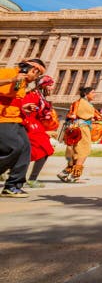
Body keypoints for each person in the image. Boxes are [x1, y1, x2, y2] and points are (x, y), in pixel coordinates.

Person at [0, 59, 46, 198]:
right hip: (3, 119)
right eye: (37, 74)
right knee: (14, 147)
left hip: (16, 119)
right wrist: (11, 80)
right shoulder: (8, 72)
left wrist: (23, 107)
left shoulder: (23, 83)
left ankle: (13, 185)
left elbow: (12, 99)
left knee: (25, 149)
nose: (36, 78)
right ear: (33, 70)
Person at [57, 86, 102, 183]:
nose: (94, 94)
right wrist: (95, 118)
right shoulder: (85, 104)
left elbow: (74, 115)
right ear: (86, 94)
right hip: (83, 129)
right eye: (93, 92)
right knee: (84, 151)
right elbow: (95, 116)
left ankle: (65, 172)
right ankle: (75, 175)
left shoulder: (78, 102)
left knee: (76, 151)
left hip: (77, 128)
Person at [21, 75, 59, 188]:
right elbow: (24, 109)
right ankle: (25, 178)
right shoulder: (32, 95)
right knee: (41, 150)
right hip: (30, 125)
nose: (52, 88)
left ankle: (25, 177)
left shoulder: (40, 96)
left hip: (37, 126)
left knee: (40, 151)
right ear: (43, 85)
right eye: (50, 85)